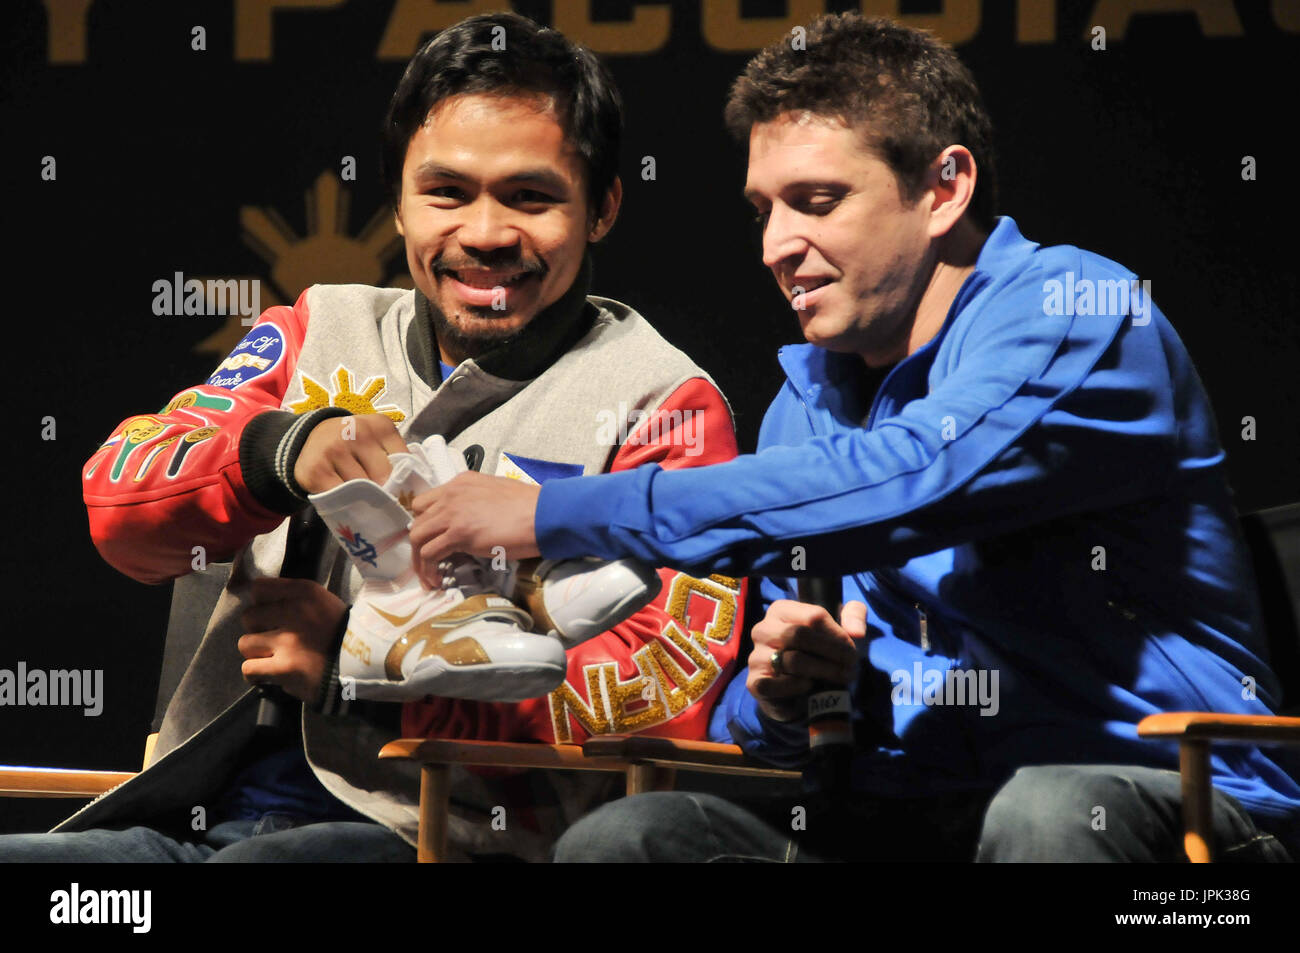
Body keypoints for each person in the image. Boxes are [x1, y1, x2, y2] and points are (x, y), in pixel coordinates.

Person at [409, 12, 1300, 862]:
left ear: (944, 188)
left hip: (1172, 815)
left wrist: (553, 512)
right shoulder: (809, 401)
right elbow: (759, 736)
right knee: (633, 840)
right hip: (916, 819)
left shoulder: (1077, 312)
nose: (776, 245)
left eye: (819, 201)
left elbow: (911, 478)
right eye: (764, 209)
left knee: (1050, 810)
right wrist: (791, 695)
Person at [1, 12, 742, 863]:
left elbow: (658, 693)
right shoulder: (319, 326)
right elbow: (118, 509)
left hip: (430, 836)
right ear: (397, 200)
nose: (487, 232)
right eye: (448, 192)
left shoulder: (663, 400)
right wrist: (270, 453)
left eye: (530, 197)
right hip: (187, 817)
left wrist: (364, 669)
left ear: (602, 207)